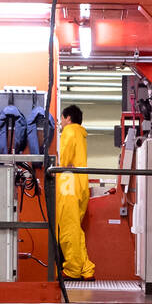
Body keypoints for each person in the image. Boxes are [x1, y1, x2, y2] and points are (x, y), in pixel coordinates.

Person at [56, 103, 95, 280]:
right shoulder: (81, 134)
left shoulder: (69, 131)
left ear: (68, 118)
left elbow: (64, 160)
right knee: (76, 230)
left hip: (68, 183)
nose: (61, 122)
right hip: (80, 184)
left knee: (67, 229)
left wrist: (59, 167)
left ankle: (72, 270)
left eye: (62, 119)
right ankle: (86, 269)